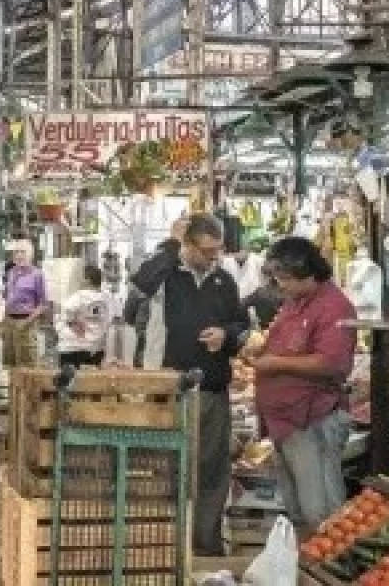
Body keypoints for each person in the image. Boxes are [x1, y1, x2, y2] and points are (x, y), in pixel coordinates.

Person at [132, 214, 248, 556]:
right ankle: (166, 544)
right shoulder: (164, 275)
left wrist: (224, 336)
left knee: (212, 469)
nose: (214, 258)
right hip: (168, 389)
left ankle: (204, 544)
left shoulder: (224, 281)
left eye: (218, 251)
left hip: (211, 389)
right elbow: (138, 288)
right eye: (207, 251)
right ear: (188, 245)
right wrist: (172, 247)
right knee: (168, 466)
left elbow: (240, 325)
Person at [248, 236, 356, 531]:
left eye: (285, 278)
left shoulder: (334, 307)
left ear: (307, 273)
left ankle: (326, 570)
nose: (280, 285)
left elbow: (331, 363)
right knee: (298, 511)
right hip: (286, 423)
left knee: (320, 511)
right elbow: (282, 343)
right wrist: (261, 350)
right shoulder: (294, 303)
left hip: (313, 421)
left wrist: (276, 363)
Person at [0, 239, 47, 368]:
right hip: (9, 322)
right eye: (16, 252)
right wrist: (4, 323)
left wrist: (26, 322)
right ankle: (12, 389)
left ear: (30, 255)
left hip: (27, 323)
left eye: (22, 252)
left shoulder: (37, 275)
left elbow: (43, 304)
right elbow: (7, 299)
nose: (19, 255)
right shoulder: (11, 273)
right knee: (10, 364)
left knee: (27, 365)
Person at [56, 263, 108, 369]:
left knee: (69, 383)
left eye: (80, 278)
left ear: (87, 280)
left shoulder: (79, 296)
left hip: (72, 348)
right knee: (91, 383)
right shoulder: (106, 299)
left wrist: (71, 323)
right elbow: (107, 322)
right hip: (96, 349)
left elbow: (65, 312)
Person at [242, 262, 285, 329]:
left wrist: (246, 322)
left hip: (265, 330)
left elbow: (241, 304)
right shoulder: (290, 292)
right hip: (286, 330)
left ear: (267, 276)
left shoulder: (259, 293)